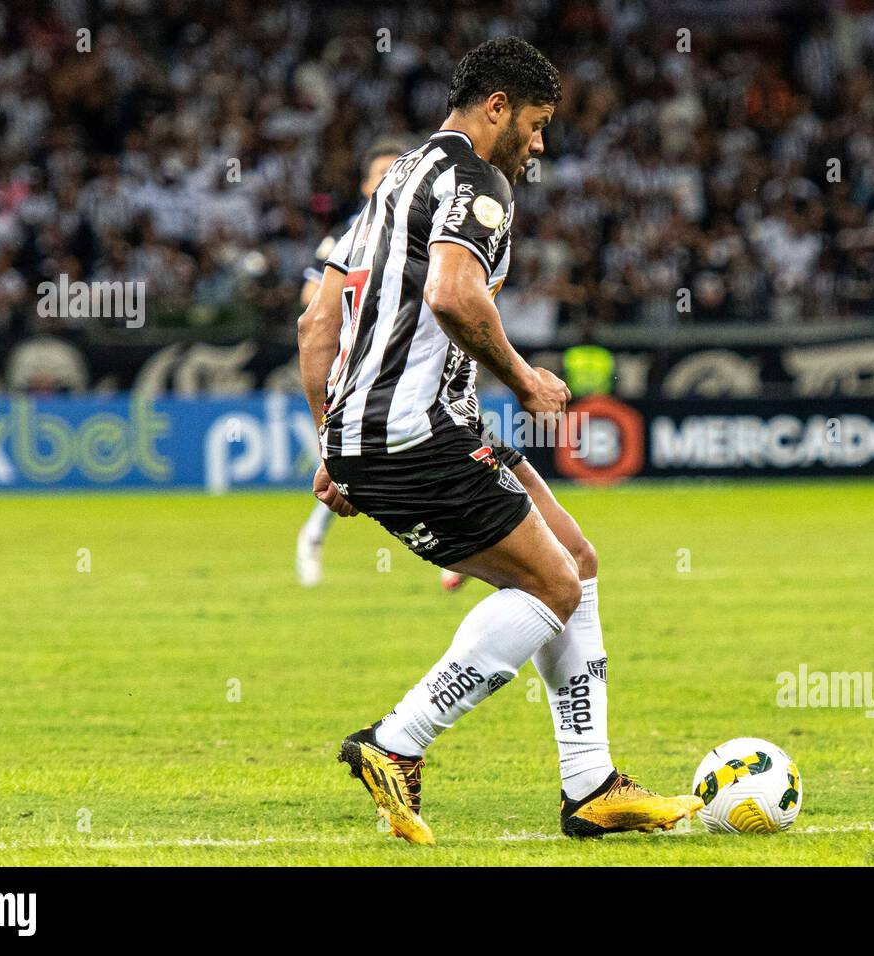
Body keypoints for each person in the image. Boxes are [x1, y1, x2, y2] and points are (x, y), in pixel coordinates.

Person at [296, 36, 702, 844]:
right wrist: (522, 376)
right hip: (420, 434)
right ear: (497, 107)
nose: (540, 144)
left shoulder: (398, 178)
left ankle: (591, 786)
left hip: (385, 432)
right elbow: (451, 294)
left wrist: (334, 442)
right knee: (551, 587)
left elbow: (317, 323)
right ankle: (395, 743)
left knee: (574, 564)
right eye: (538, 124)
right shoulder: (476, 181)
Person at [295, 136, 464, 591]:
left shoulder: (430, 226)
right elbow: (313, 305)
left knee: (443, 444)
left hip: (419, 360)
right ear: (366, 184)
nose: (390, 181)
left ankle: (461, 545)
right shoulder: (349, 235)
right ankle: (313, 537)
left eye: (398, 171)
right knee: (369, 461)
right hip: (364, 367)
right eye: (381, 174)